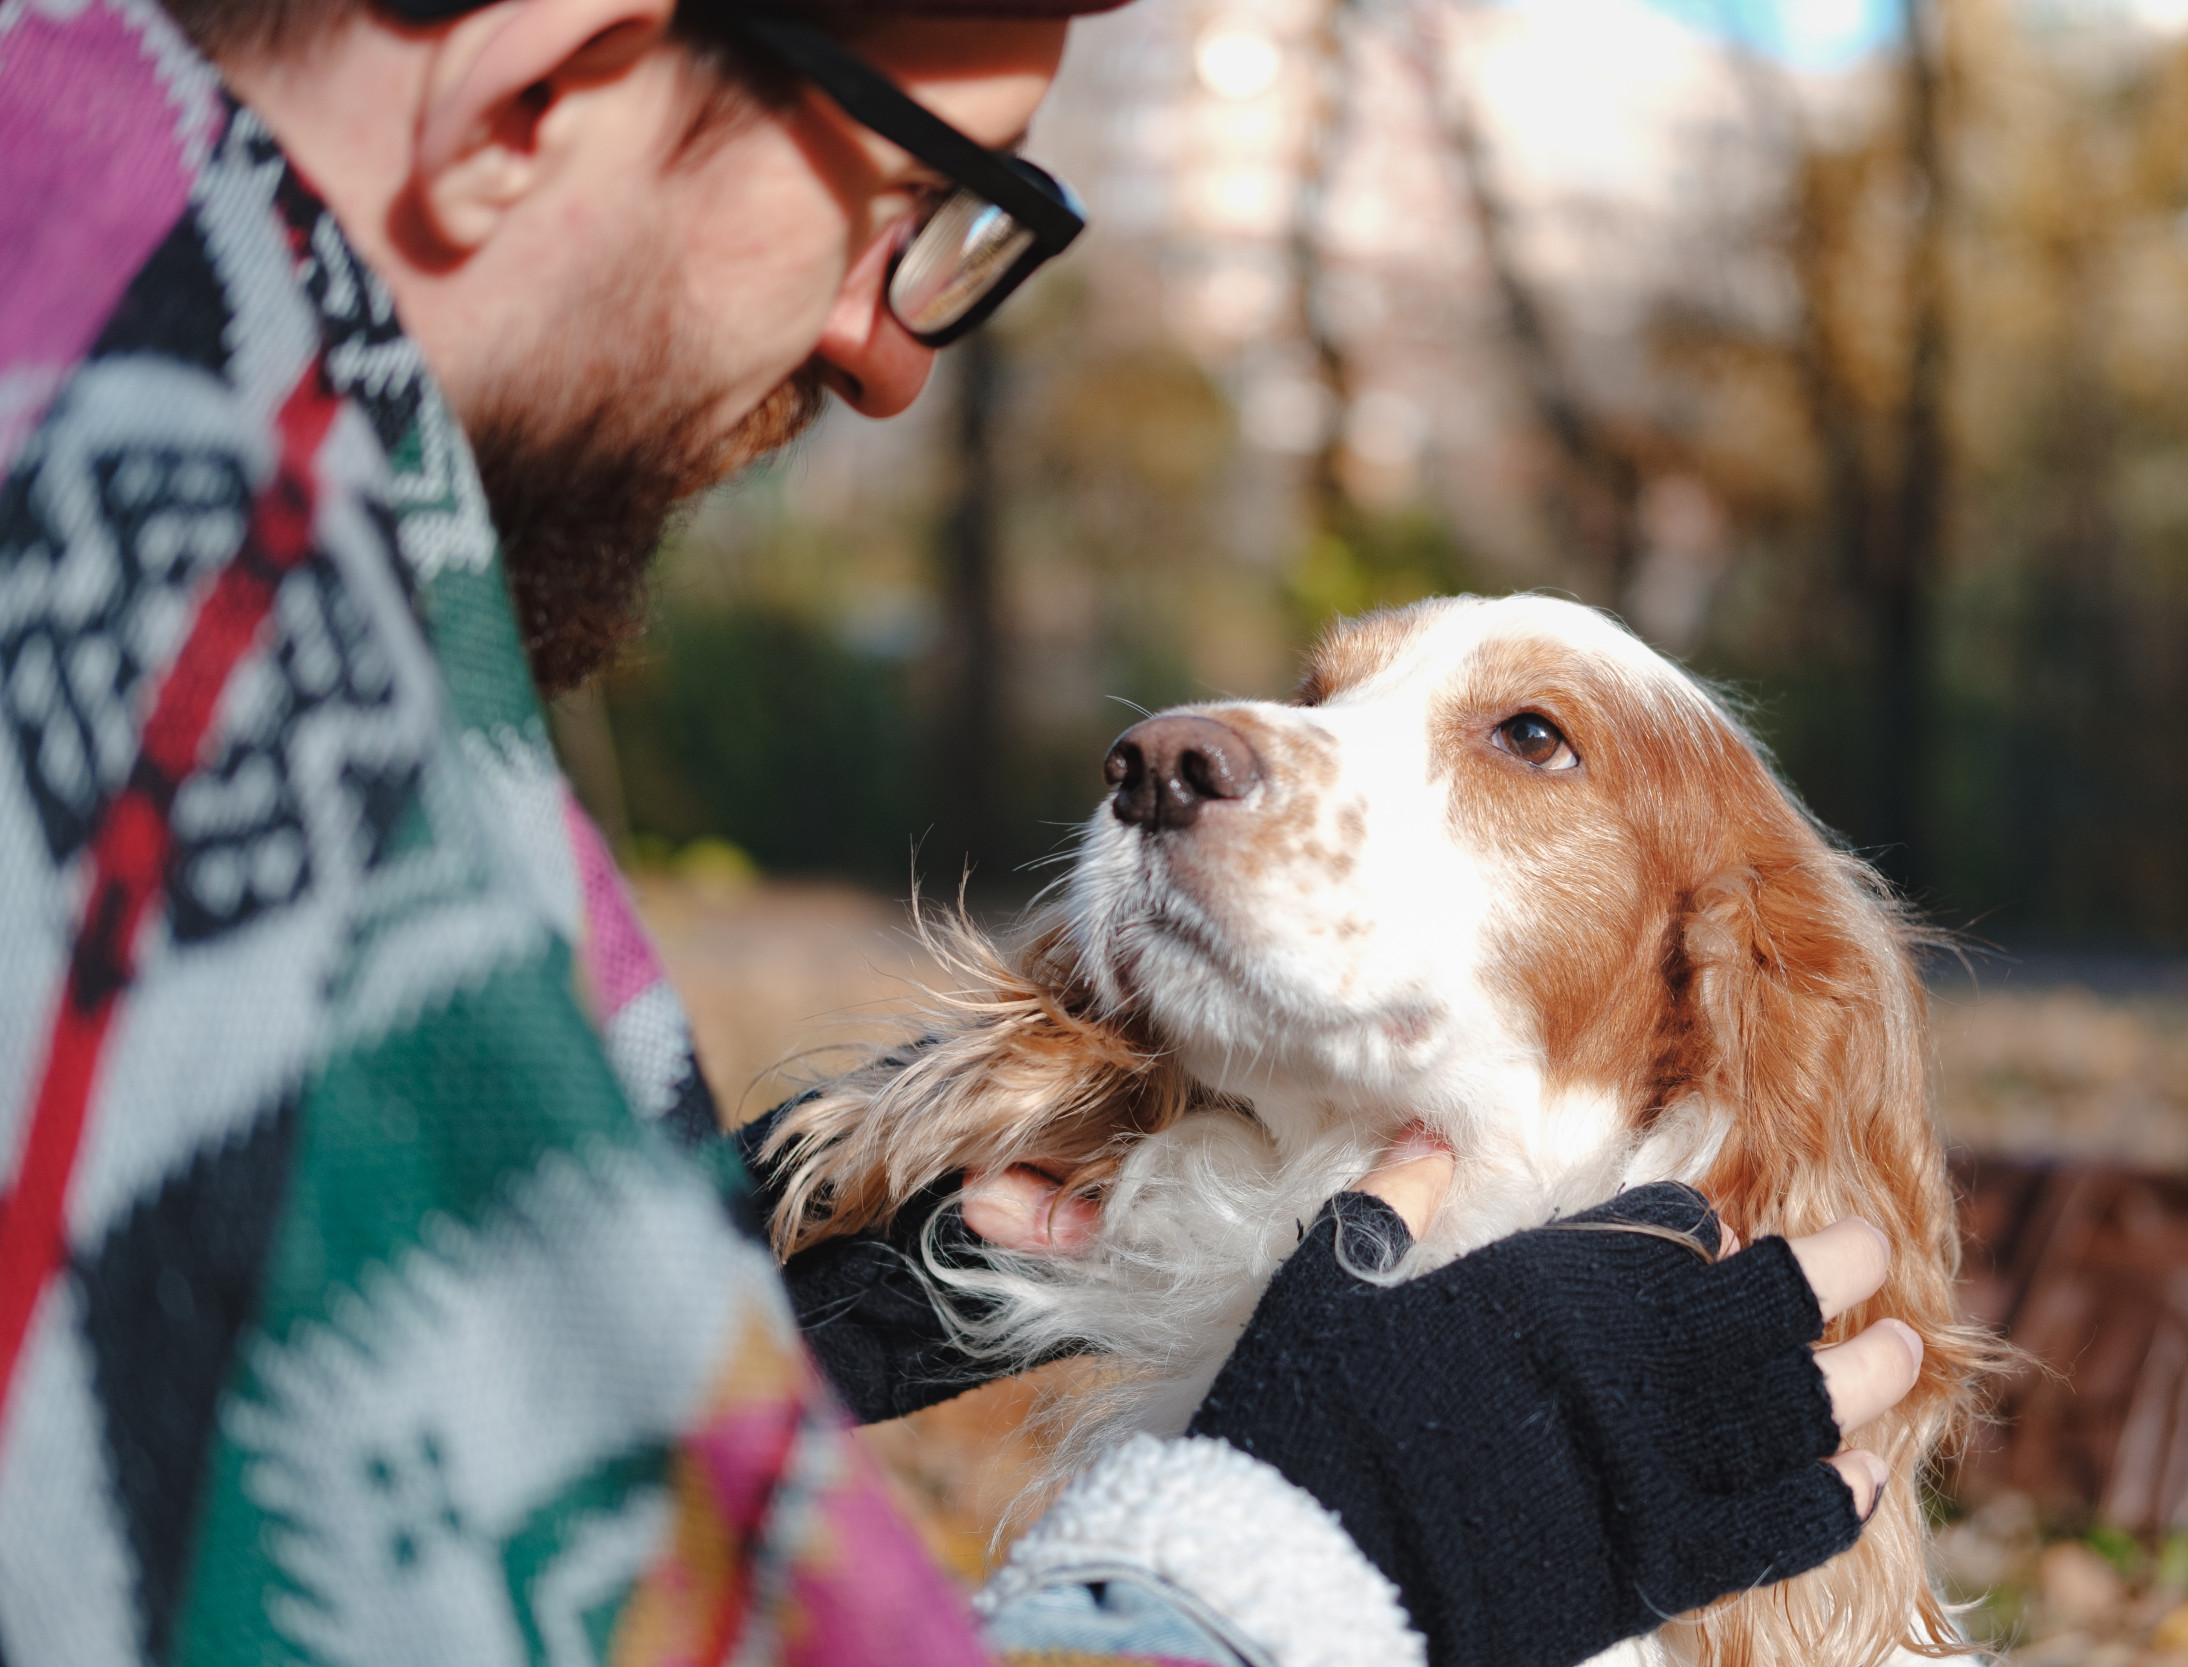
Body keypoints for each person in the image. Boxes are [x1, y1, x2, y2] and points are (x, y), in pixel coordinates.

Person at [0, 0, 1929, 1660]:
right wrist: (1318, 1549)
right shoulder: (162, 562)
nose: (889, 351)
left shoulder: (215, 443)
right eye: (921, 204)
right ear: (541, 84)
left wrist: (704, 1320)